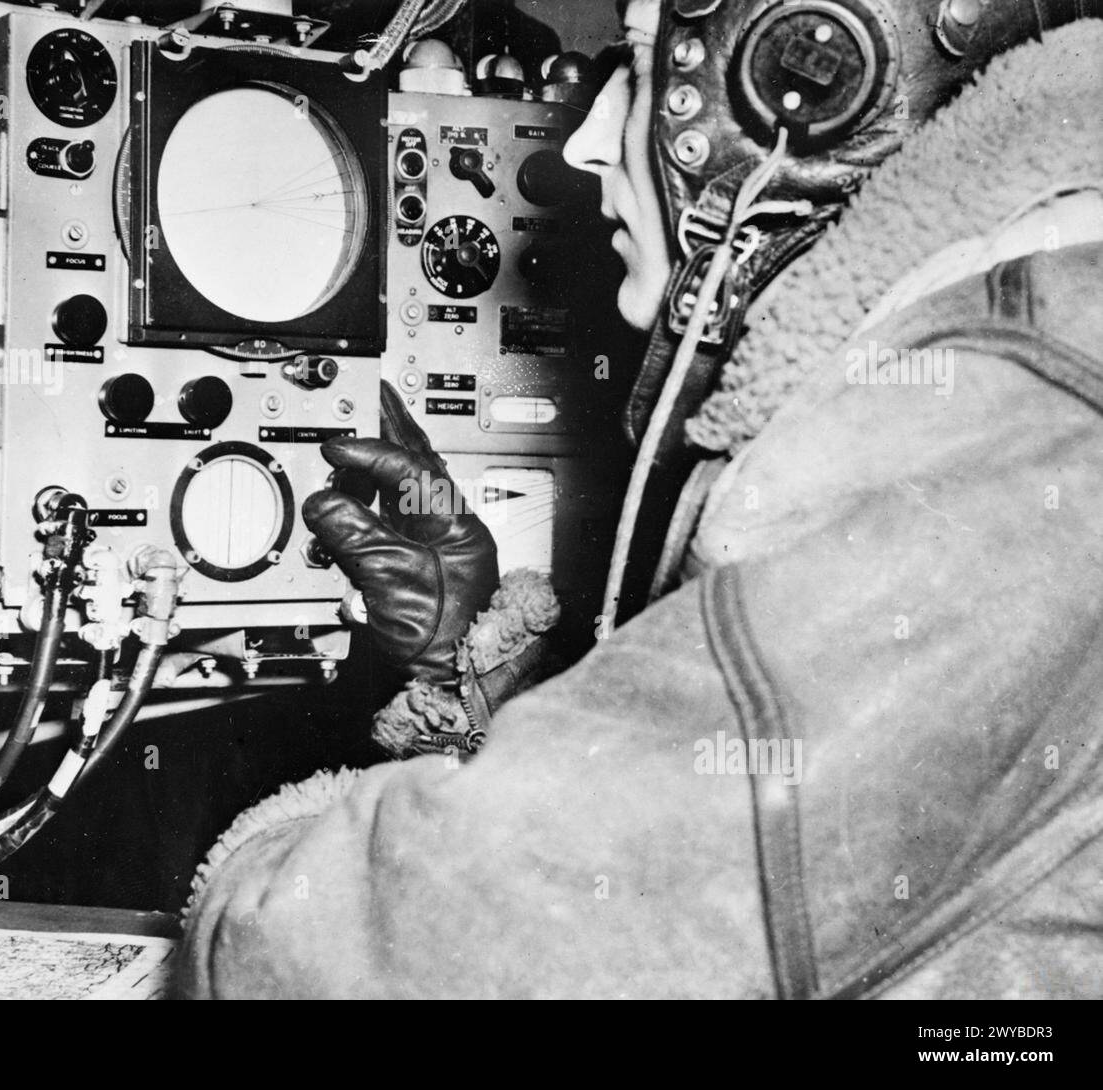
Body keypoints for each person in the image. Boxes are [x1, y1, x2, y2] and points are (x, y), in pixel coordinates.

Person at [178, 0, 1103, 998]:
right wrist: (472, 673)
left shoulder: (994, 416)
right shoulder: (1018, 361)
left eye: (639, 68)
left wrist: (256, 863)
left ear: (807, 81)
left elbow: (345, 962)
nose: (581, 143)